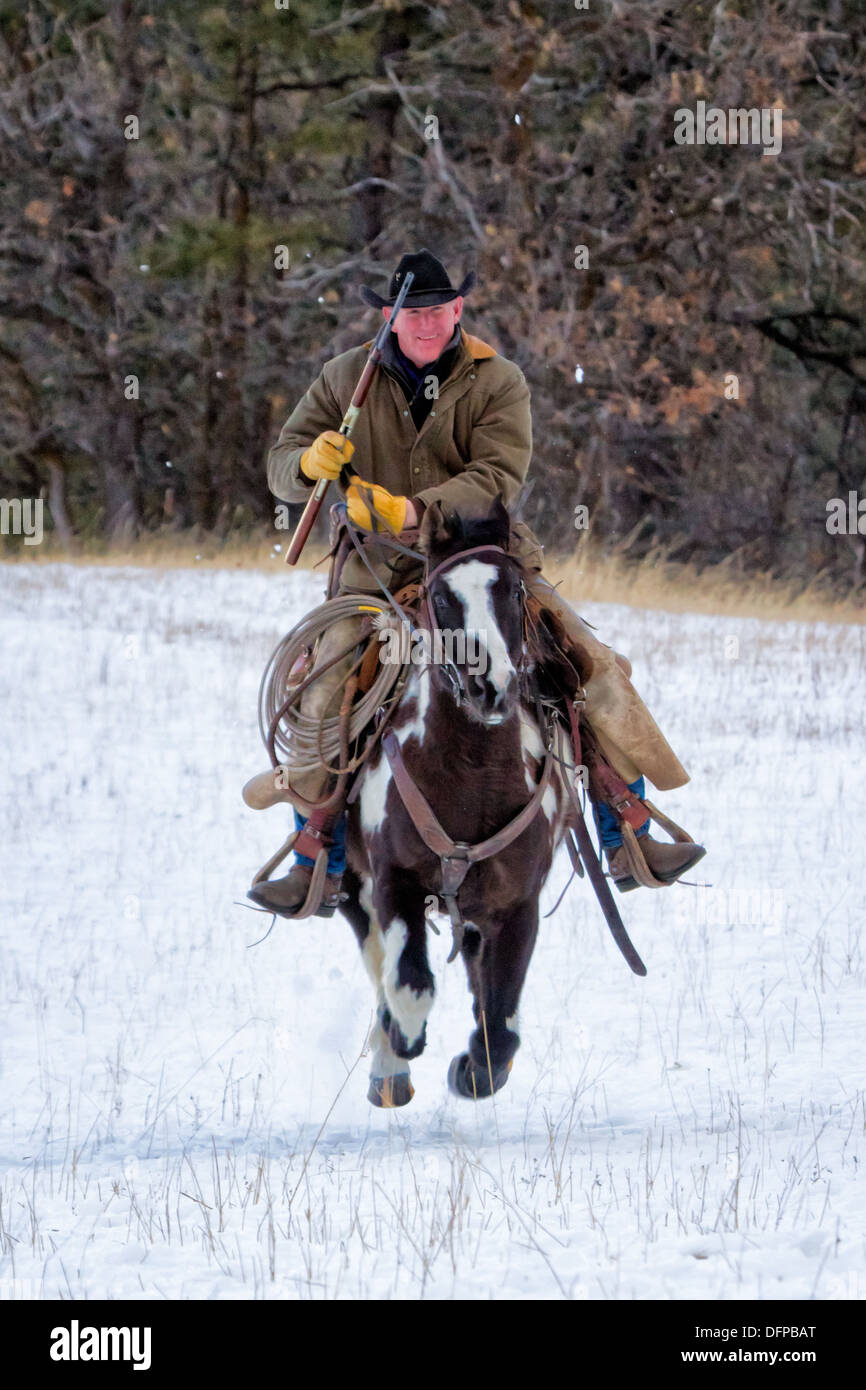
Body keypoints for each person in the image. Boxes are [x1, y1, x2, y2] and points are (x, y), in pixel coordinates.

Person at [244, 249, 705, 914]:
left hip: (484, 561)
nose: (428, 323)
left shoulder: (499, 380)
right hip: (375, 576)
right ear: (389, 316)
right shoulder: (345, 378)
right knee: (325, 689)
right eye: (414, 313)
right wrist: (309, 463)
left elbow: (497, 477)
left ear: (458, 309)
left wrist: (414, 512)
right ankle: (316, 857)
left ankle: (627, 831)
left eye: (440, 310)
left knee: (585, 664)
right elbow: (280, 467)